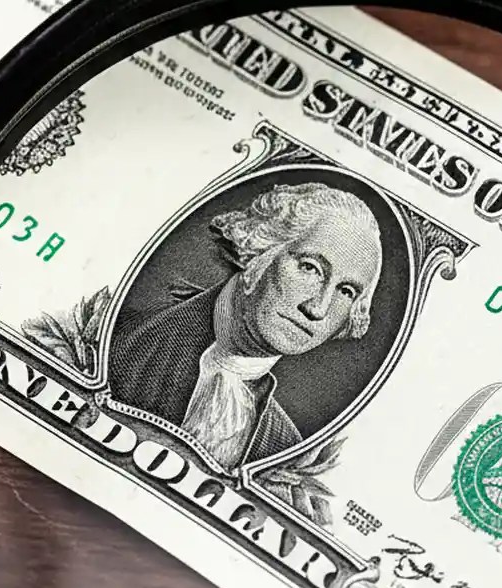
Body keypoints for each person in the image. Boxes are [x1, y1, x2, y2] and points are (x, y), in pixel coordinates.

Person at [108, 182, 384, 469]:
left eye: (346, 291)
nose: (318, 309)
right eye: (309, 267)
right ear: (258, 253)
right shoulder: (116, 341)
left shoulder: (283, 447)